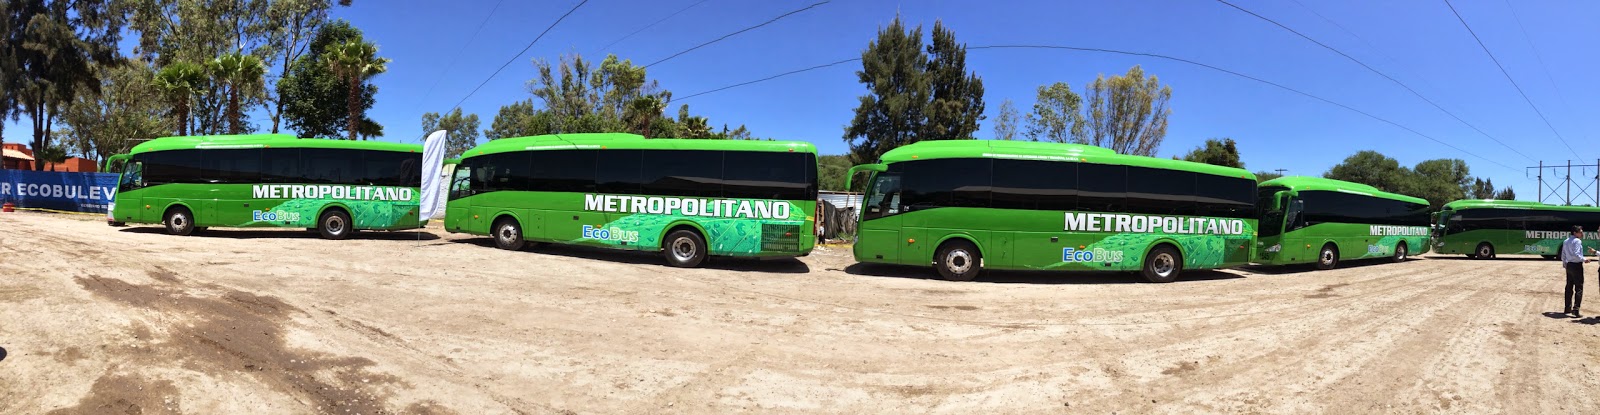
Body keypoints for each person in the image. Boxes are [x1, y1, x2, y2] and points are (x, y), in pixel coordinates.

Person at [1563, 226, 1590, 317]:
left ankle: (1567, 307)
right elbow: (1576, 254)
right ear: (1575, 232)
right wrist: (1584, 259)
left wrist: (1565, 264)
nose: (1582, 234)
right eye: (1580, 232)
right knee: (1579, 288)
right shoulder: (1577, 241)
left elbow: (1563, 255)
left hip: (1569, 265)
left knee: (1569, 287)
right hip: (1576, 265)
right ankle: (1576, 309)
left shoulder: (1566, 241)